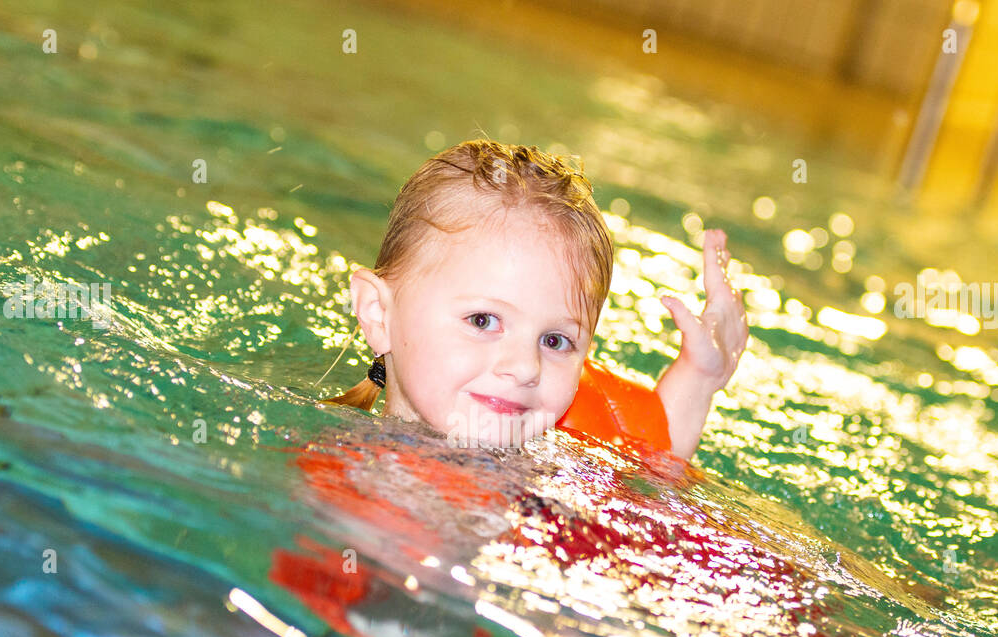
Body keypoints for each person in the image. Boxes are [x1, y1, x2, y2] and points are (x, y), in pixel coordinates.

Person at [320, 139, 748, 461]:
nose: (526, 367)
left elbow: (653, 451)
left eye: (555, 341)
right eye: (483, 321)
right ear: (378, 314)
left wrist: (700, 377)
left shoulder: (570, 450)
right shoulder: (347, 470)